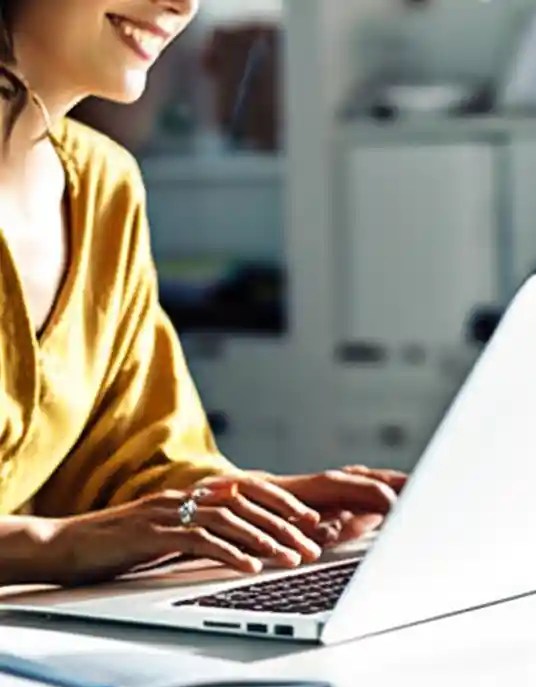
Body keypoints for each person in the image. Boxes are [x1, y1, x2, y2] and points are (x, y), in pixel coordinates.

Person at [0, 0, 408, 587]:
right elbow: (78, 533)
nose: (183, 4)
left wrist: (241, 504)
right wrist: (48, 543)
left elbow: (127, 462)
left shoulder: (103, 187)